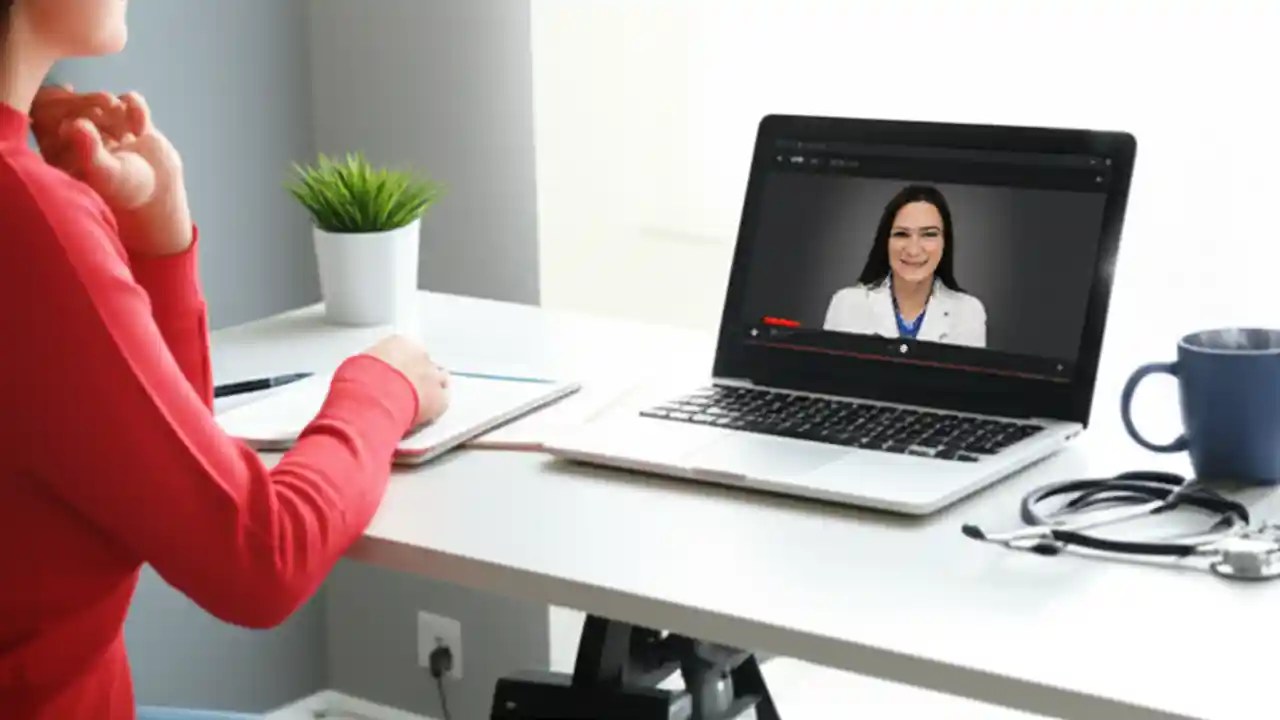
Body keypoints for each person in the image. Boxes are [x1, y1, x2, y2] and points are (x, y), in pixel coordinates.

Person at [0, 2, 451, 718]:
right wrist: (380, 387)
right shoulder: (25, 217)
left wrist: (158, 229)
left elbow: (174, 467)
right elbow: (261, 558)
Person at [823, 184, 987, 348]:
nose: (913, 250)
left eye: (929, 234)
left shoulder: (968, 312)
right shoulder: (847, 304)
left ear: (945, 243)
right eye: (901, 234)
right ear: (885, 242)